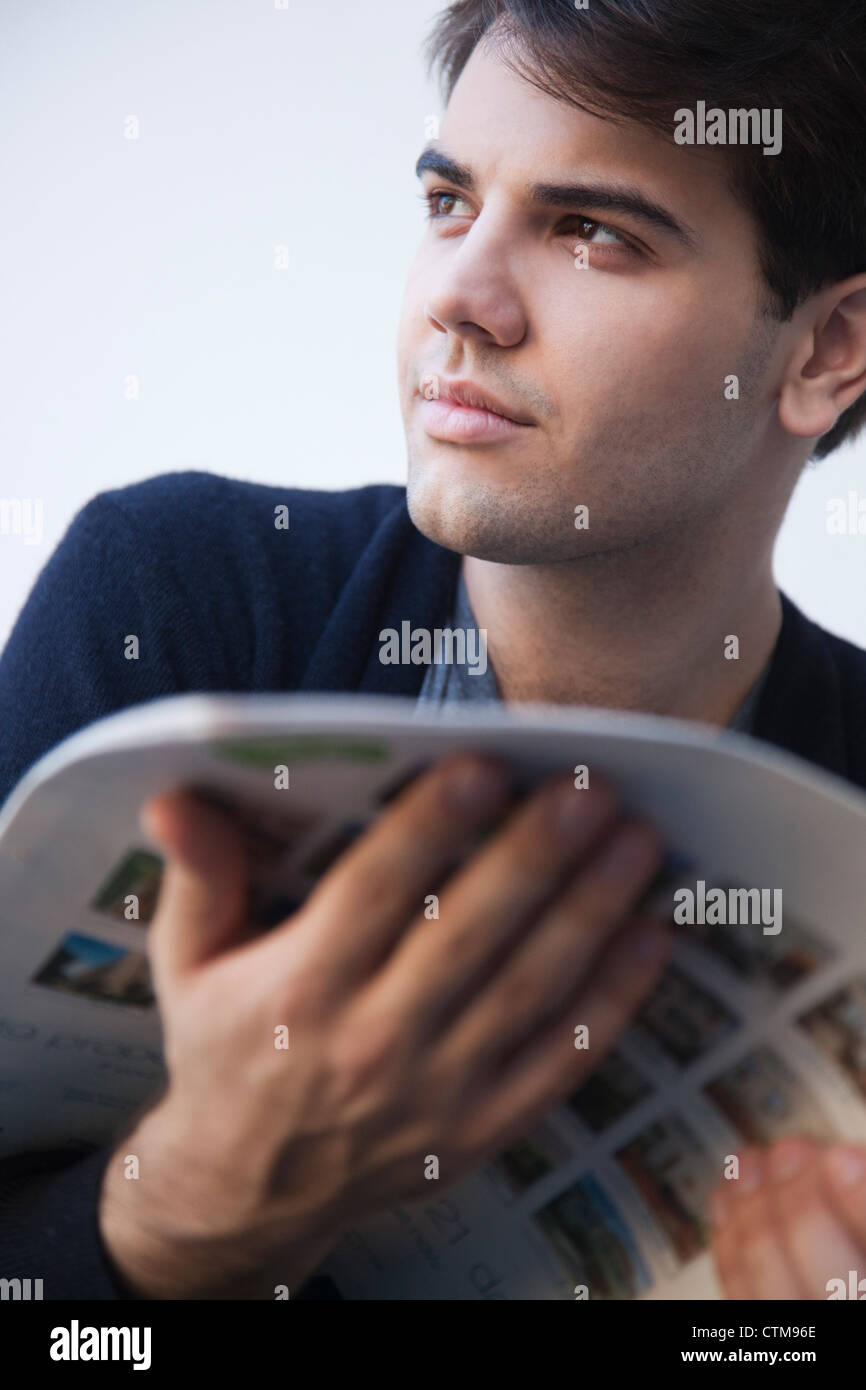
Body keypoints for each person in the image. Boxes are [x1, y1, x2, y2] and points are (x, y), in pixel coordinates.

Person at [1, 0, 866, 1301]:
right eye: (449, 202)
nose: (457, 300)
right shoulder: (178, 595)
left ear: (822, 351)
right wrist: (183, 1211)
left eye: (592, 232)